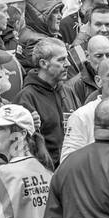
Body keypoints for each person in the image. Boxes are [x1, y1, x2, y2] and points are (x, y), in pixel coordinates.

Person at [17, 37, 74, 166]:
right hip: (44, 173)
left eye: (67, 58)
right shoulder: (26, 97)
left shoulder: (68, 91)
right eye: (61, 60)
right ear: (43, 63)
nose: (68, 64)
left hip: (71, 170)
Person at [62, 35, 109, 111]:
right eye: (99, 56)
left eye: (108, 55)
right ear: (87, 56)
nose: (105, 59)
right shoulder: (75, 85)